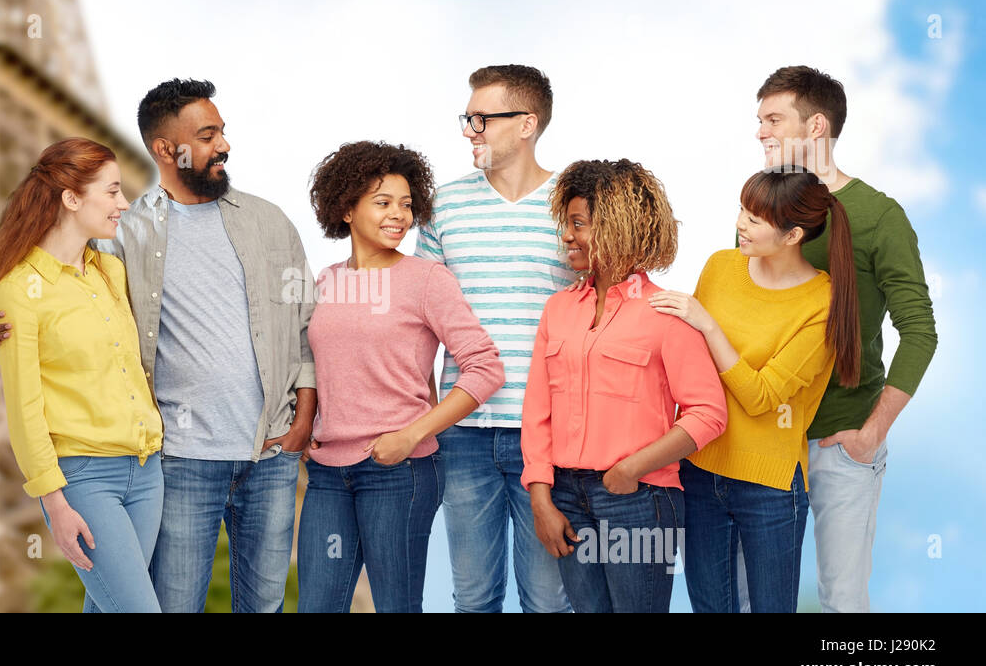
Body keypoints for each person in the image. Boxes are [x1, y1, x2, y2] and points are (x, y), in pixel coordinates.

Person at [0, 79, 317, 613]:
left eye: (222, 132)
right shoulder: (119, 238)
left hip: (224, 457)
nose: (224, 144)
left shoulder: (260, 225)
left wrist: (306, 410)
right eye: (208, 134)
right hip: (161, 461)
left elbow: (303, 319)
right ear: (166, 148)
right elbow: (33, 350)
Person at [749, 66, 938, 612]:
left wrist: (872, 431)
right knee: (747, 598)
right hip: (762, 442)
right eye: (758, 120)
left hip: (841, 441)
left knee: (843, 604)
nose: (760, 132)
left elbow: (919, 332)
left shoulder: (879, 217)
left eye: (772, 119)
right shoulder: (758, 210)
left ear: (816, 127)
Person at [299, 141, 505, 612]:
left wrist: (411, 435)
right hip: (329, 473)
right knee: (317, 605)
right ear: (346, 209)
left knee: (395, 606)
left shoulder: (427, 279)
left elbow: (485, 367)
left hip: (399, 471)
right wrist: (309, 427)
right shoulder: (326, 281)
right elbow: (313, 365)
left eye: (407, 205)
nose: (400, 215)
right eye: (383, 202)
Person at [521, 158, 727, 613]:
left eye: (579, 224)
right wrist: (540, 497)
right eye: (566, 223)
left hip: (640, 500)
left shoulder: (666, 313)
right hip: (565, 499)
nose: (567, 236)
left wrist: (631, 468)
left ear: (616, 227)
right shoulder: (558, 310)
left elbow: (708, 414)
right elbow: (537, 410)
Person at [649, 167, 860, 612]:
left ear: (792, 235)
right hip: (699, 468)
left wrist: (706, 323)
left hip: (769, 485)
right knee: (710, 607)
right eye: (742, 210)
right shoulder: (721, 266)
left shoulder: (821, 304)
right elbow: (690, 365)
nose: (741, 223)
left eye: (756, 218)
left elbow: (763, 397)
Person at [0, 137, 164, 612]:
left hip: (147, 471)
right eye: (113, 191)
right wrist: (54, 504)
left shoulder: (112, 271)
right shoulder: (19, 291)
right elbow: (24, 409)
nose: (124, 203)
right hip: (84, 477)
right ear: (71, 197)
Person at [412, 64, 574, 613]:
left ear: (527, 123)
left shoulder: (573, 205)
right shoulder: (442, 205)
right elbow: (420, 319)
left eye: (482, 118)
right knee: (474, 598)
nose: (470, 130)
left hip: (548, 433)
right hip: (464, 436)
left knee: (548, 600)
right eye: (468, 117)